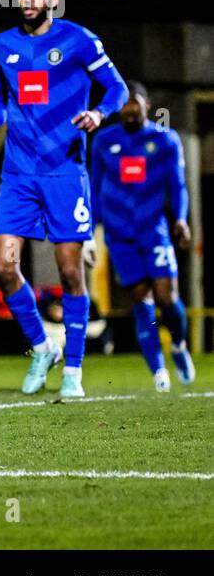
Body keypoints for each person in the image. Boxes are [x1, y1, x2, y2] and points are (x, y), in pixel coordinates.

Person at [0, 0, 128, 398]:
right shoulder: (4, 45)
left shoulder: (79, 40)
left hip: (64, 173)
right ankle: (42, 346)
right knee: (2, 265)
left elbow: (117, 89)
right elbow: (0, 98)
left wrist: (98, 114)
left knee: (72, 271)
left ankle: (72, 369)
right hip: (18, 174)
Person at [90, 82, 194, 390]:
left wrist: (181, 219)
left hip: (154, 231)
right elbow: (95, 188)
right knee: (141, 298)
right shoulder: (104, 141)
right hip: (119, 235)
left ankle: (178, 343)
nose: (129, 109)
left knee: (167, 297)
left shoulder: (164, 140)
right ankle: (158, 372)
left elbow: (177, 185)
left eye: (134, 103)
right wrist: (90, 233)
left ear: (147, 105)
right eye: (124, 104)